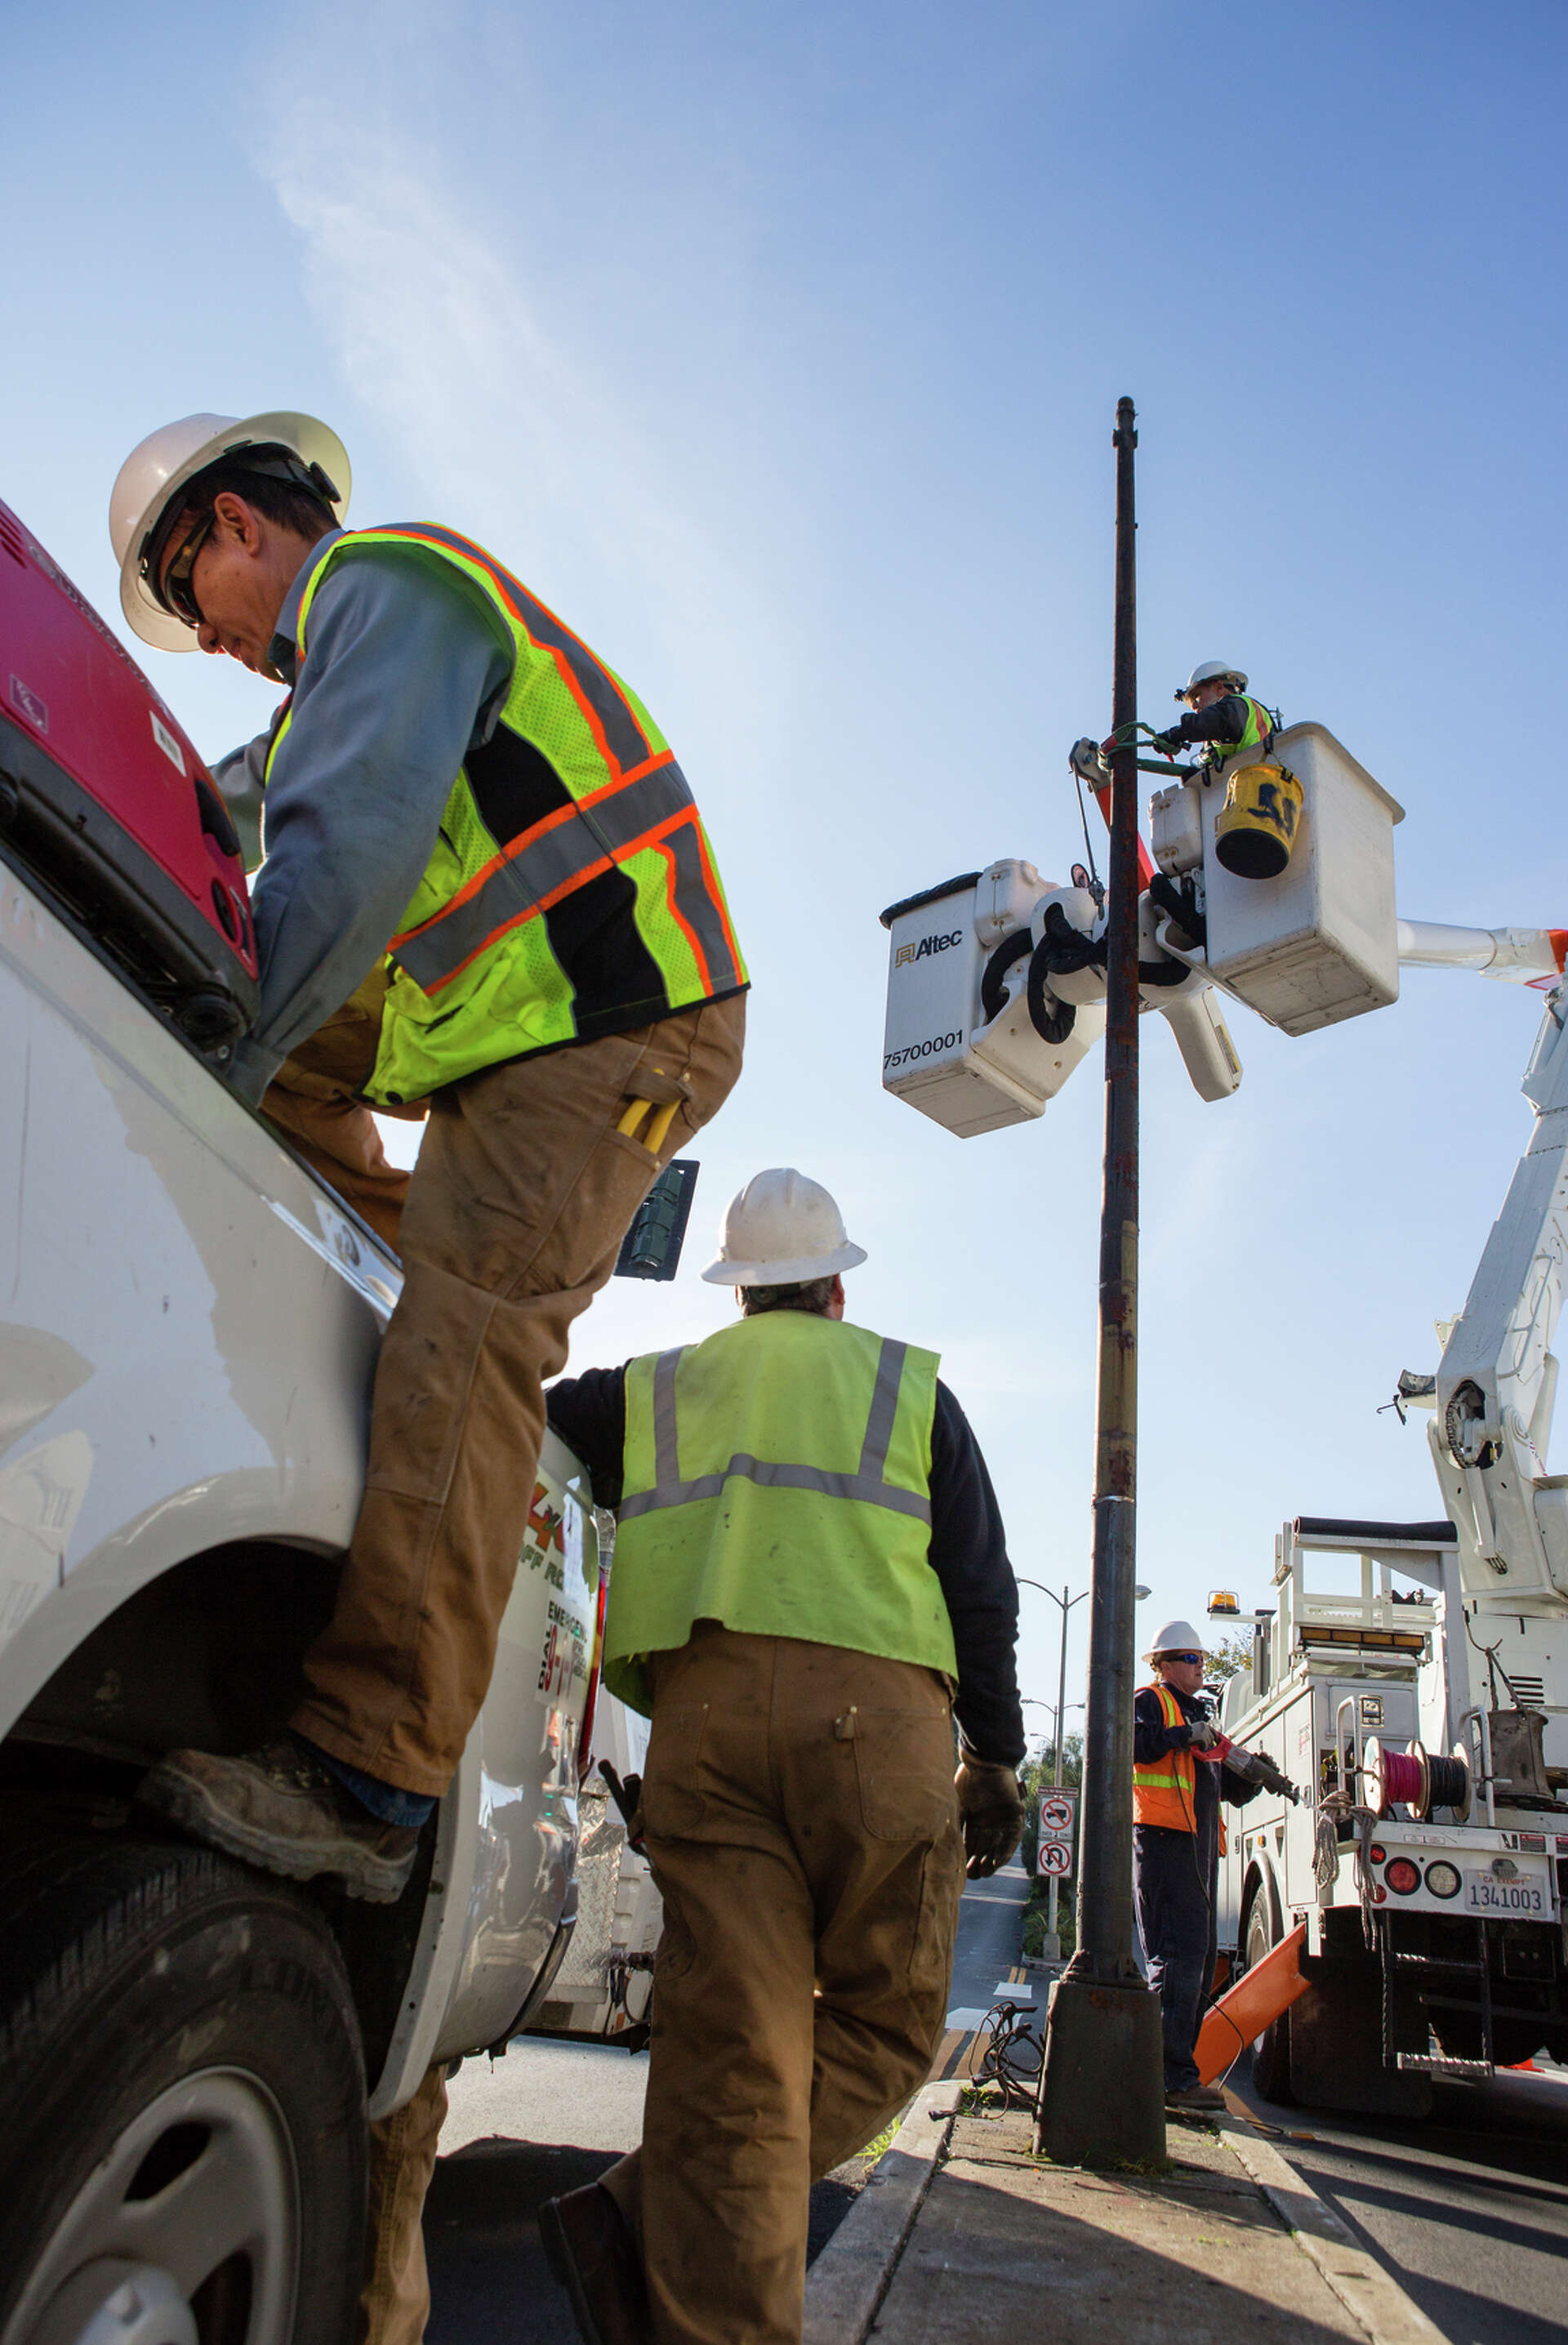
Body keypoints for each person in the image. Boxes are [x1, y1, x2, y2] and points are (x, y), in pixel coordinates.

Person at [106, 408, 746, 1897]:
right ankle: (404, 1249)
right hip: (511, 1019)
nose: (209, 640)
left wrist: (207, 1062)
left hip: (611, 1018)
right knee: (241, 1012)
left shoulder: (389, 587)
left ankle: (366, 1772)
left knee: (466, 1333)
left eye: (196, 605)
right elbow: (228, 816)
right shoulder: (344, 661)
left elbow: (341, 856)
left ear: (237, 532)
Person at [537, 1169, 1026, 2345]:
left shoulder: (659, 1389)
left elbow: (539, 1412)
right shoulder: (910, 1391)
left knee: (736, 2049)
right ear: (838, 1288)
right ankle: (638, 2215)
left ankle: (663, 2234)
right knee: (895, 2021)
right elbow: (980, 1586)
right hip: (876, 1732)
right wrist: (997, 1759)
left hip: (702, 1733)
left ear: (739, 1292)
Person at [1133, 1620, 1259, 2115]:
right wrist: (1184, 1734)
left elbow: (1221, 1785)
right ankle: (1169, 2079)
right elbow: (1138, 1748)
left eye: (1202, 1660)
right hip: (1165, 1845)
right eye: (1191, 1659)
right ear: (1163, 1664)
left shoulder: (1199, 1714)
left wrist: (1254, 1776)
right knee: (1176, 1960)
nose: (1200, 1667)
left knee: (1198, 1963)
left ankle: (1178, 2073)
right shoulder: (1150, 1702)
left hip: (1198, 1852)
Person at [1152, 661, 1277, 770]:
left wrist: (1176, 733)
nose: (1194, 707)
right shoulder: (1213, 741)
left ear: (1219, 688)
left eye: (1197, 697)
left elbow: (1218, 721)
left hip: (1263, 780)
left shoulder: (1237, 706)